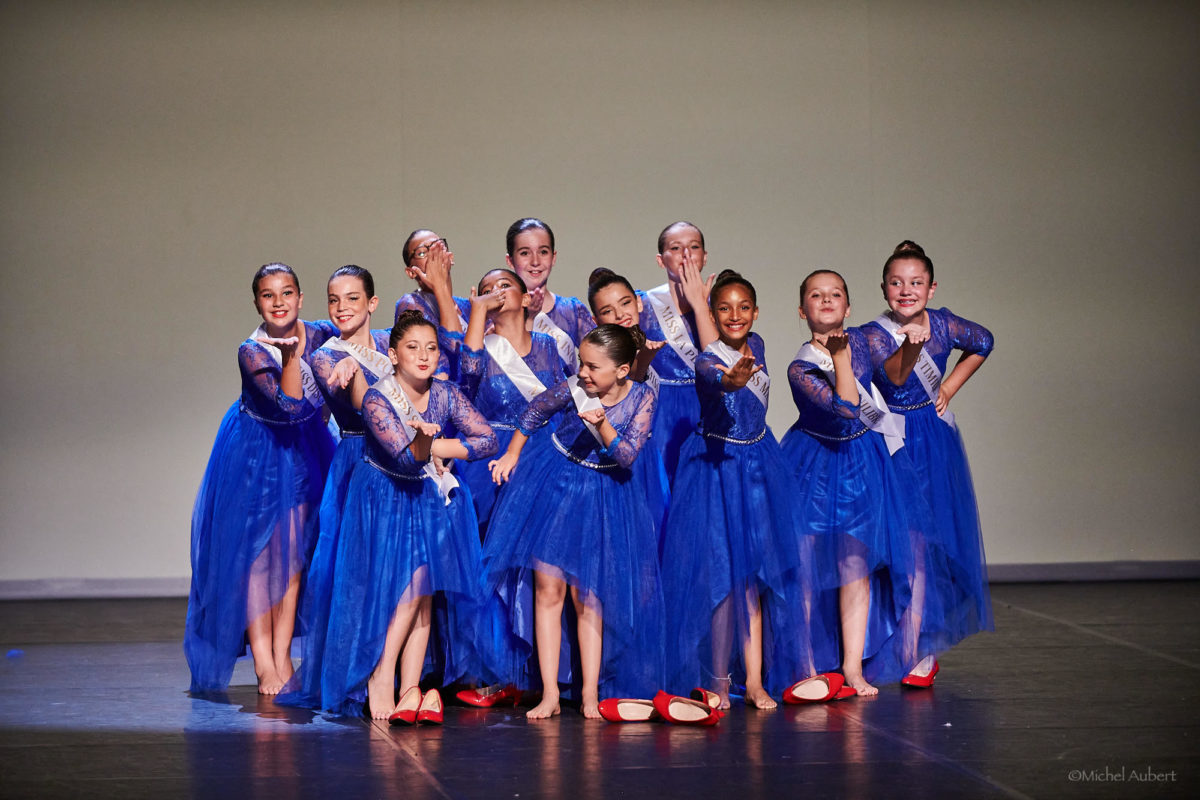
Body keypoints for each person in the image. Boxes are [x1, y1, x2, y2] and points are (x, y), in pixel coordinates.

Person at [660, 270, 834, 709]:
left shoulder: (757, 346)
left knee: (757, 577)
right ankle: (718, 681)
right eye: (724, 308)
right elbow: (716, 379)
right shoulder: (707, 361)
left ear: (755, 312)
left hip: (757, 466)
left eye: (743, 307)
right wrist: (729, 381)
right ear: (713, 316)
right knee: (722, 578)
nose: (735, 315)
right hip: (715, 472)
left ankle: (754, 680)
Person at [311, 311, 497, 719]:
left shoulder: (445, 394)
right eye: (413, 348)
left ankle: (410, 688)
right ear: (393, 355)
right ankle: (380, 675)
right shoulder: (378, 397)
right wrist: (422, 442)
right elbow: (404, 457)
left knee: (424, 592)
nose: (424, 355)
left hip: (428, 496)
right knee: (401, 589)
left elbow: (487, 438)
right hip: (385, 495)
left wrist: (439, 448)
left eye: (431, 347)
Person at [483, 325, 663, 719]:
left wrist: (601, 425)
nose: (582, 372)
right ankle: (548, 693)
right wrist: (513, 454)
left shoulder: (643, 397)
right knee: (548, 591)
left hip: (606, 493)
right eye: (581, 362)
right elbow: (535, 411)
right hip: (558, 482)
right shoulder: (574, 385)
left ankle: (588, 694)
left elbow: (628, 455)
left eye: (593, 367)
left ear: (621, 370)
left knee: (590, 598)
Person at [186, 263, 338, 694]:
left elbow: (360, 336)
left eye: (286, 293)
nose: (278, 303)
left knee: (292, 557)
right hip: (256, 454)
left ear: (300, 297)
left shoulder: (320, 332)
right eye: (268, 295)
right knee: (259, 558)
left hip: (304, 452)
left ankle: (284, 655)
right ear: (256, 302)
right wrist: (292, 358)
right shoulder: (251, 350)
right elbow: (287, 409)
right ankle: (263, 662)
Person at [781, 269, 932, 695]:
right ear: (802, 309)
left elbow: (895, 376)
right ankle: (805, 663)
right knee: (805, 567)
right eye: (816, 295)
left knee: (856, 567)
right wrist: (843, 359)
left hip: (861, 462)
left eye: (835, 295)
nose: (826, 301)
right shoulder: (800, 367)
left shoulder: (864, 341)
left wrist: (911, 344)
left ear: (848, 307)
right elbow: (846, 406)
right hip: (814, 464)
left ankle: (851, 667)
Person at [860, 242, 995, 685]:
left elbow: (983, 341)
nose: (906, 290)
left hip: (932, 442)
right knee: (899, 545)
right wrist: (913, 348)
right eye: (896, 282)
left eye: (916, 282)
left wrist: (950, 387)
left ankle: (921, 646)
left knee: (928, 542)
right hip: (890, 441)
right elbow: (896, 377)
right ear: (883, 288)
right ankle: (887, 639)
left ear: (931, 288)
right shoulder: (875, 334)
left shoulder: (943, 323)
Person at [277, 265, 392, 708]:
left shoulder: (389, 346)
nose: (342, 308)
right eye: (334, 300)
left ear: (372, 304)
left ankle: (403, 674)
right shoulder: (326, 354)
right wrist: (349, 362)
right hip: (359, 459)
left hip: (403, 461)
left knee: (397, 569)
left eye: (352, 299)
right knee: (354, 571)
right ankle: (353, 674)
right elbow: (356, 403)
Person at [457, 268, 568, 533]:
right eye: (486, 291)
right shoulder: (479, 347)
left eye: (504, 285)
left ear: (526, 299)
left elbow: (559, 402)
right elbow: (470, 369)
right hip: (493, 458)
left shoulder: (547, 346)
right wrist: (479, 311)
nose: (495, 292)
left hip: (540, 453)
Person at [585, 268, 670, 542]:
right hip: (611, 462)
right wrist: (642, 362)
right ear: (596, 320)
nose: (621, 314)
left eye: (625, 303)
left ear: (639, 302)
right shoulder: (597, 357)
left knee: (650, 542)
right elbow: (624, 397)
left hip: (647, 459)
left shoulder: (653, 344)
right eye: (608, 311)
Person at [636, 221, 719, 484]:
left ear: (704, 257)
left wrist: (699, 304)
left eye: (694, 247)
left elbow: (717, 359)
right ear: (661, 260)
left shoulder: (723, 306)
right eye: (676, 247)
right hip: (658, 411)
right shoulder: (642, 304)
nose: (686, 255)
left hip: (707, 406)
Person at [504, 218, 595, 373]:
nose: (535, 261)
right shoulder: (497, 312)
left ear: (553, 257)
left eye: (543, 252)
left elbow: (602, 359)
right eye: (525, 253)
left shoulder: (572, 310)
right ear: (510, 260)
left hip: (567, 397)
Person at [393, 229, 471, 381]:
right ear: (411, 272)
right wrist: (440, 285)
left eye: (439, 246)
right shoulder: (411, 303)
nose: (433, 254)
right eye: (422, 252)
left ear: (451, 257)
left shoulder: (469, 306)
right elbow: (455, 349)